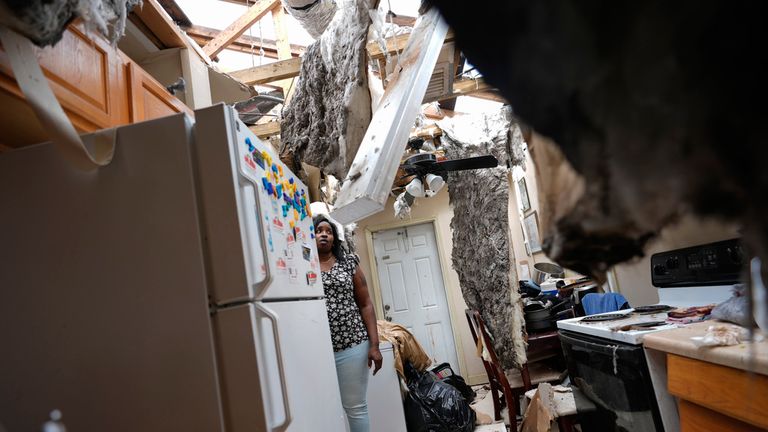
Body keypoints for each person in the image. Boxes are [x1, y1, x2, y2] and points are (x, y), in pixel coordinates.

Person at [314, 214, 382, 432]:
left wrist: (374, 345)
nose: (323, 234)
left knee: (355, 407)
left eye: (328, 231)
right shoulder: (302, 265)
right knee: (320, 408)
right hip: (316, 349)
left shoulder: (349, 262)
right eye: (318, 230)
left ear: (334, 238)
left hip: (351, 345)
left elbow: (366, 304)